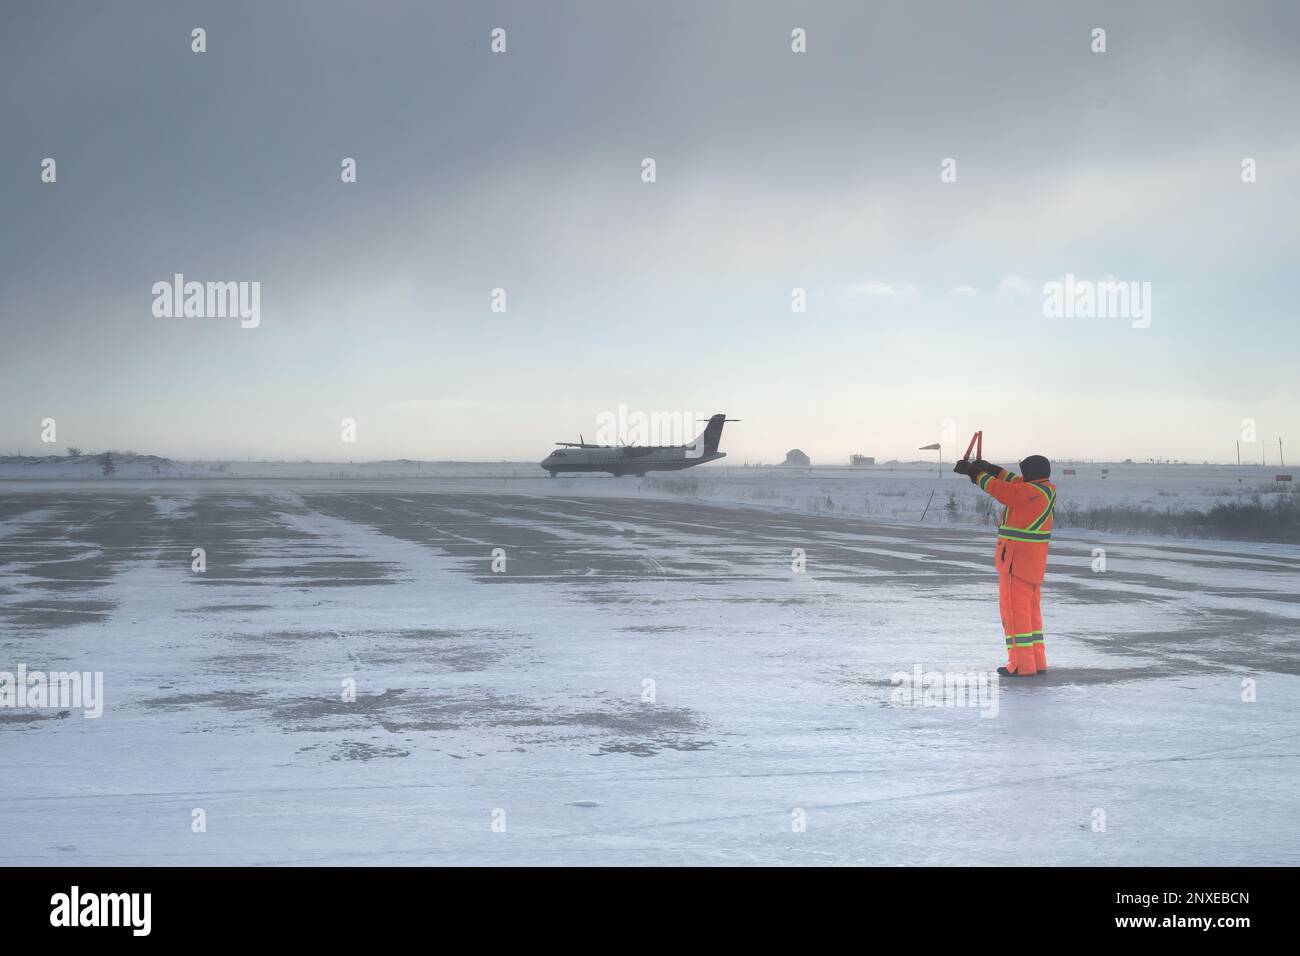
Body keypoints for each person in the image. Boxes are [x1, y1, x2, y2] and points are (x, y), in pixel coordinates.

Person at [953, 455, 1056, 676]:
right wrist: (990, 468)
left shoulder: (1029, 493)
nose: (1022, 476)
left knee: (1014, 614)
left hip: (1016, 563)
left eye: (1025, 472)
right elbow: (1011, 481)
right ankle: (1037, 661)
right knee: (1031, 615)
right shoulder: (1044, 490)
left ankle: (1020, 664)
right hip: (1032, 564)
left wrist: (974, 473)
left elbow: (1002, 490)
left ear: (1032, 474)